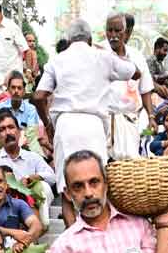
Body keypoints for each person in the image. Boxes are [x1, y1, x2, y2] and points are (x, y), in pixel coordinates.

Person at [34, 19, 135, 225]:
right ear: (89, 39)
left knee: (66, 187)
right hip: (93, 125)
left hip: (65, 125)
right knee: (97, 181)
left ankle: (73, 238)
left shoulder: (57, 60)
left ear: (69, 40)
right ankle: (99, 232)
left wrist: (48, 124)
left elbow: (38, 96)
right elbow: (132, 71)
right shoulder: (103, 57)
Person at [104, 12, 154, 158]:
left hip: (132, 121)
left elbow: (145, 89)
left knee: (130, 168)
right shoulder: (99, 53)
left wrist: (151, 116)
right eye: (109, 30)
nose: (113, 34)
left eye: (117, 30)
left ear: (126, 33)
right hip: (106, 121)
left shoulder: (137, 56)